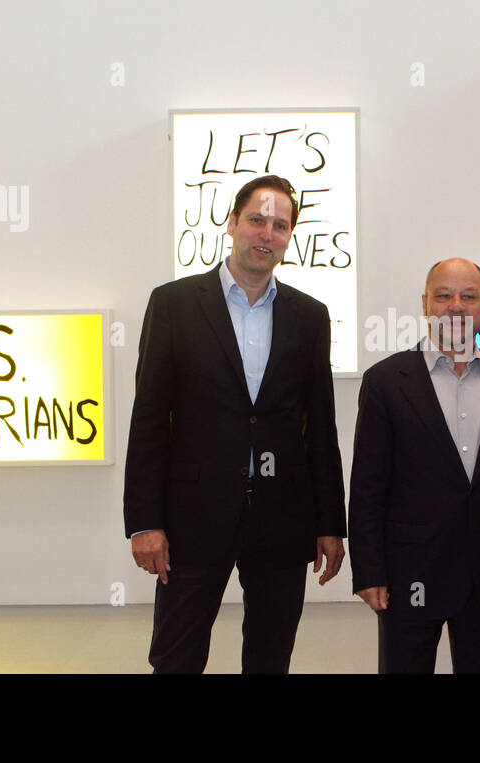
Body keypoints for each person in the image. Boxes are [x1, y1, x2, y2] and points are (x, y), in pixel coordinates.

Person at [123, 174, 346, 674]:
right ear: (231, 224)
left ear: (290, 237)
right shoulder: (174, 305)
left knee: (270, 659)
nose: (267, 234)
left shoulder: (310, 317)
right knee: (176, 658)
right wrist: (144, 520)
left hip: (282, 519)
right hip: (192, 519)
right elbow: (150, 419)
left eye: (280, 225)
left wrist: (331, 524)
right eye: (257, 220)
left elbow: (321, 428)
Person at [348, 258, 480, 673]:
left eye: (469, 296)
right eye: (444, 295)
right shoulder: (386, 381)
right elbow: (368, 486)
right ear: (425, 303)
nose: (456, 306)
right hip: (408, 577)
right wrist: (368, 570)